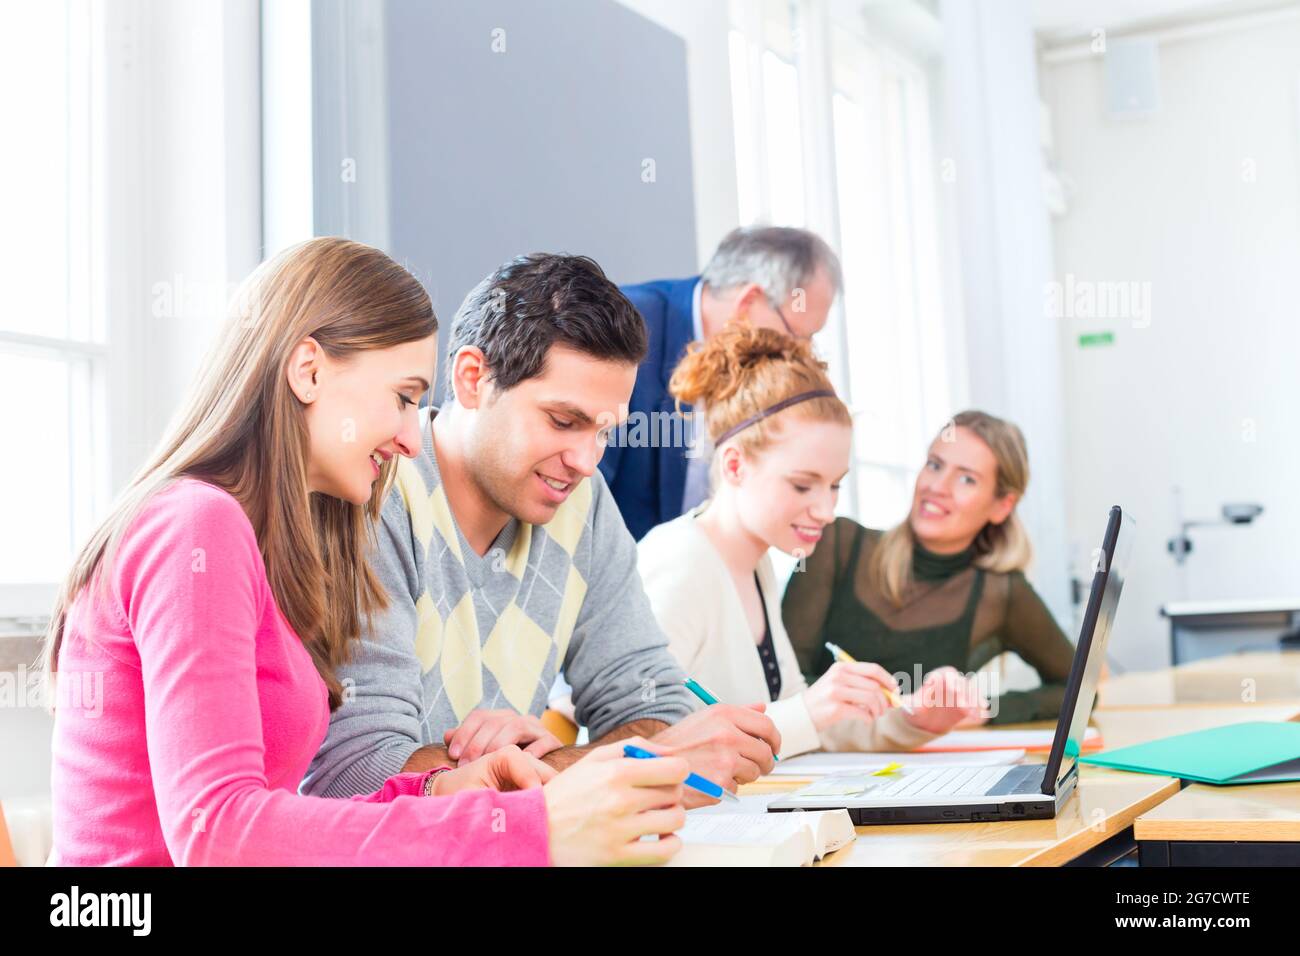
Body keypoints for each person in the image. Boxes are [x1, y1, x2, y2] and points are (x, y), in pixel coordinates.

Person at [45, 237, 688, 867]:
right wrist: (526, 829)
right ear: (309, 371)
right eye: (404, 398)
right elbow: (216, 833)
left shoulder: (263, 538)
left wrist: (442, 791)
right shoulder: (195, 524)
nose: (412, 438)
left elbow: (286, 819)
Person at [304, 252, 780, 808]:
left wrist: (546, 764)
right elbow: (358, 775)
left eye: (604, 431)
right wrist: (607, 763)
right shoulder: (373, 490)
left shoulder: (582, 503)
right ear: (473, 379)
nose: (586, 461)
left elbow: (656, 709)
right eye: (562, 421)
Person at [637, 325, 984, 758]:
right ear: (735, 466)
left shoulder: (754, 564)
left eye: (834, 486)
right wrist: (808, 709)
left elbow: (799, 729)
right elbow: (643, 745)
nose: (825, 510)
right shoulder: (680, 561)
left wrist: (913, 718)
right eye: (803, 486)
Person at [783, 410, 1077, 725]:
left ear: (1001, 505)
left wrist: (983, 710)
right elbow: (782, 682)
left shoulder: (1001, 593)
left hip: (917, 757)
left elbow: (1076, 689)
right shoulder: (838, 544)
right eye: (935, 465)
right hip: (814, 751)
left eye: (967, 479)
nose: (938, 486)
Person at [599, 225, 843, 540]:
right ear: (749, 301)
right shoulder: (627, 328)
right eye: (798, 337)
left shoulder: (761, 376)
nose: (801, 355)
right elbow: (581, 502)